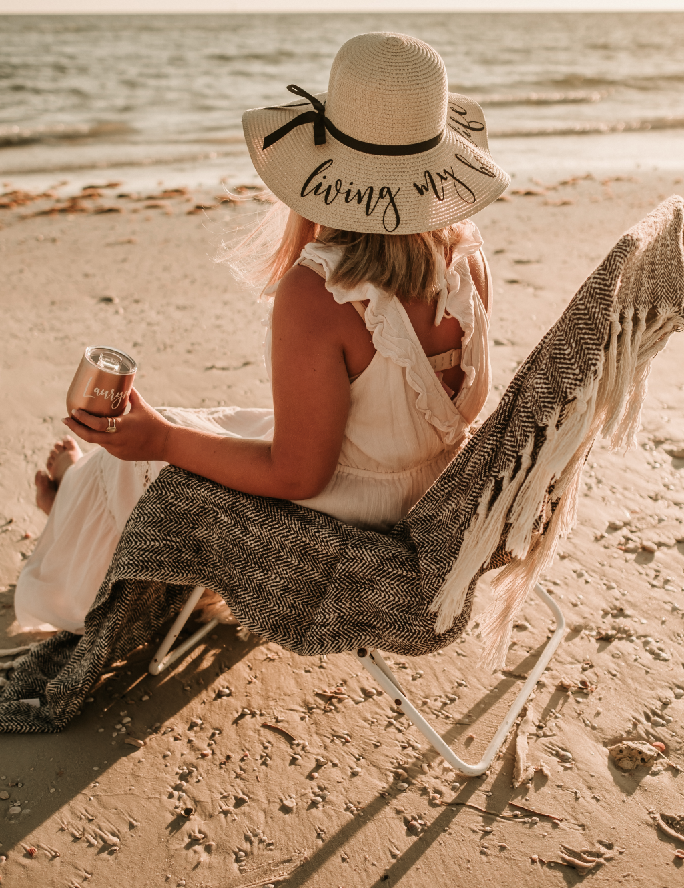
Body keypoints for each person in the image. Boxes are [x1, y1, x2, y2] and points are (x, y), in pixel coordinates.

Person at [14, 31, 510, 636]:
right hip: (423, 484)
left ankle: (66, 504)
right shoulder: (465, 253)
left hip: (349, 518)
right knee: (224, 422)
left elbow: (299, 477)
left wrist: (162, 441)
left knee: (138, 459)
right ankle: (75, 491)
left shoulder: (321, 293)